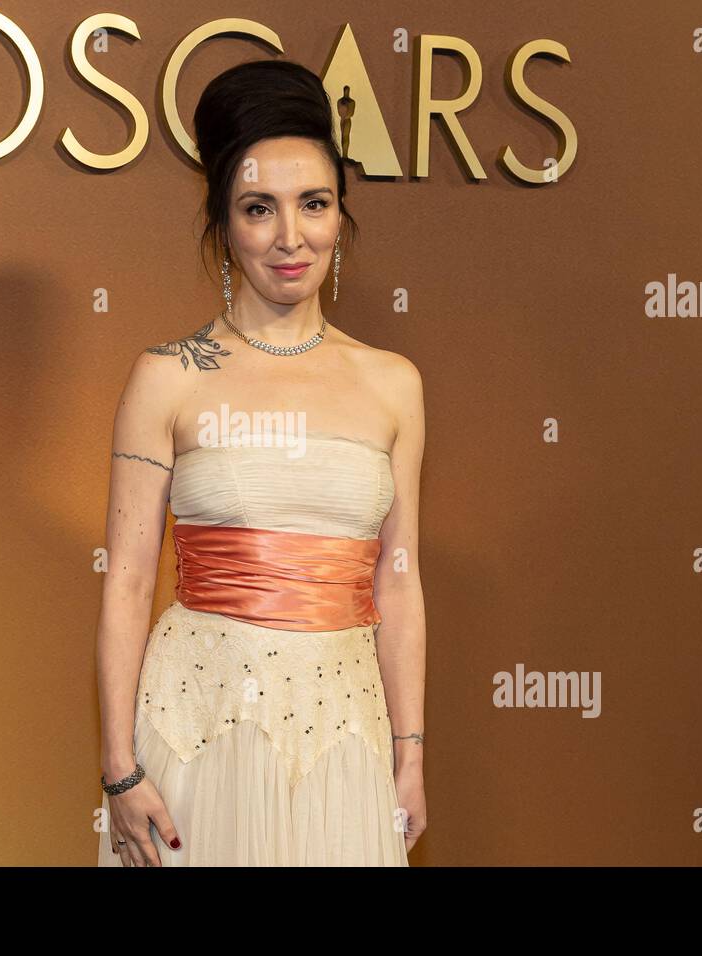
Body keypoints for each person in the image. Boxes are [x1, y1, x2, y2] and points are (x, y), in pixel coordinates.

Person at [95, 59, 427, 866]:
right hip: (196, 728)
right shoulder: (167, 375)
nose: (291, 237)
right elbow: (130, 579)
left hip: (345, 734)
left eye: (314, 204)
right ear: (223, 221)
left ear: (341, 215)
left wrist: (411, 752)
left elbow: (399, 577)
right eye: (258, 208)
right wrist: (118, 767)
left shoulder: (393, 384)